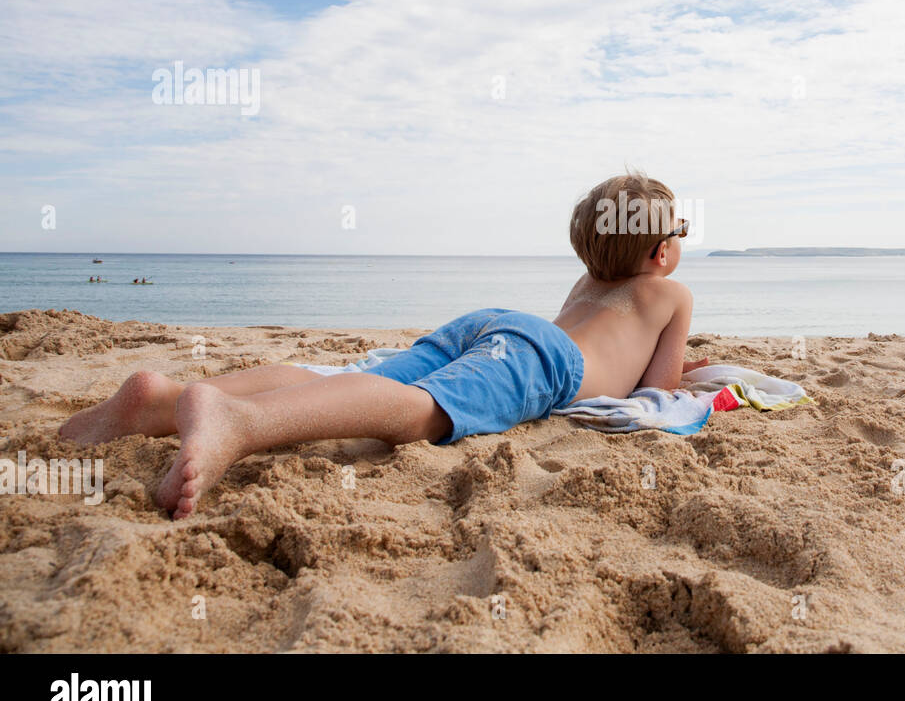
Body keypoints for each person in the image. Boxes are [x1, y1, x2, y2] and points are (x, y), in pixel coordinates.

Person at [58, 172, 704, 519]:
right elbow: (659, 390)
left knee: (348, 375)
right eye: (678, 230)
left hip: (493, 326)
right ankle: (241, 422)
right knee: (421, 409)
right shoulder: (670, 296)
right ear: (661, 250)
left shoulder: (587, 281)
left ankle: (158, 403)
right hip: (546, 361)